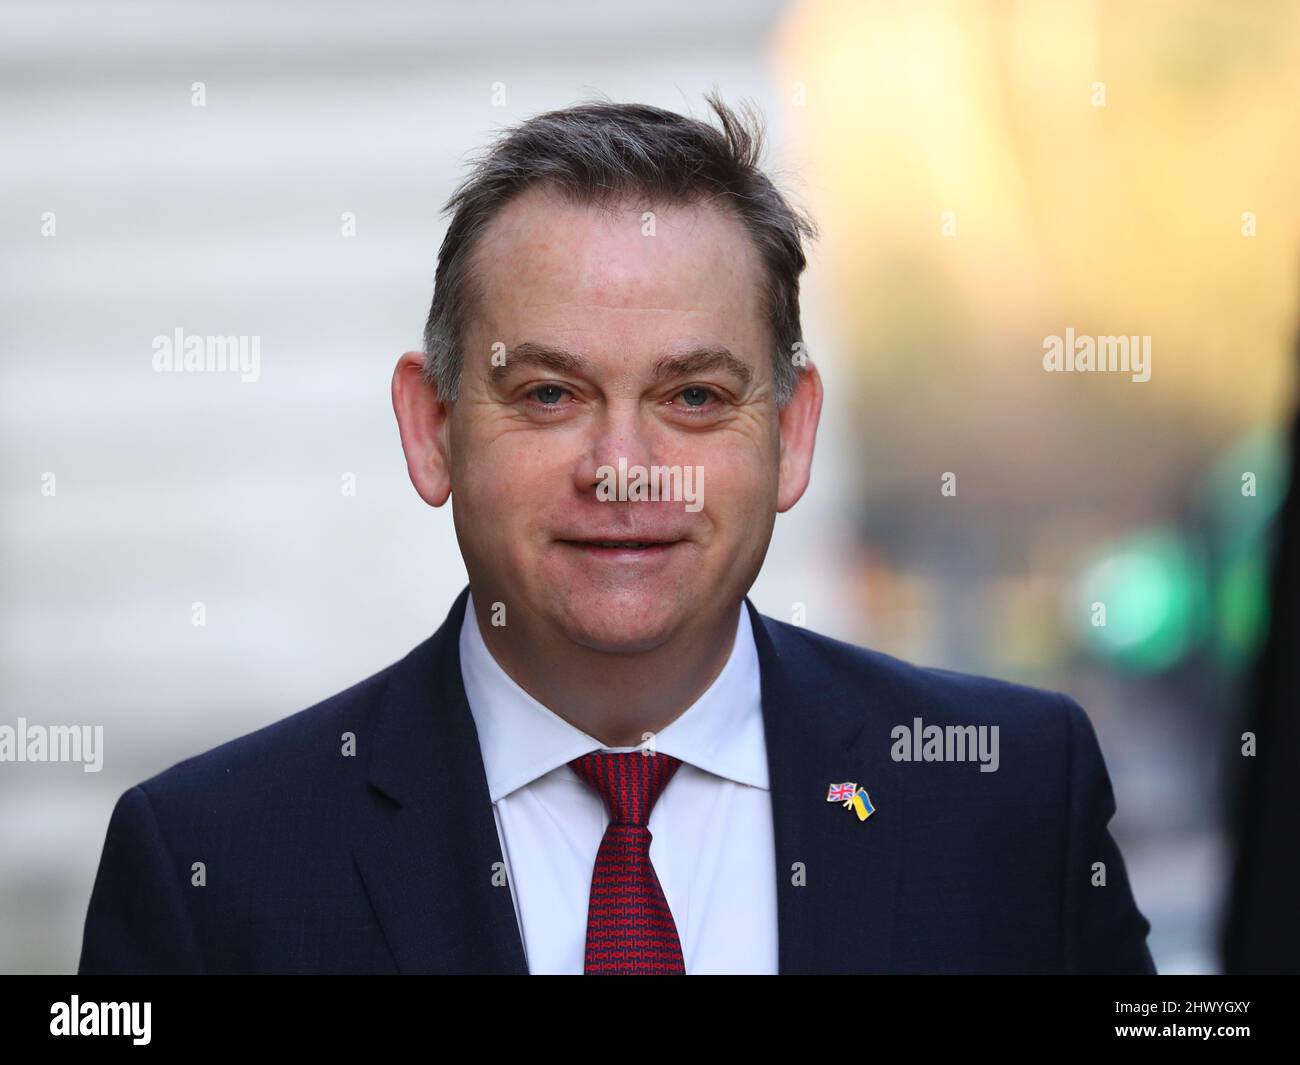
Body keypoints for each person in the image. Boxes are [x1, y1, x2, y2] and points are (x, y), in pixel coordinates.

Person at [79, 93, 1155, 975]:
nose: (624, 466)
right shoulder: (211, 865)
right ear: (431, 430)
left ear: (788, 435)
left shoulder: (1005, 795)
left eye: (692, 396)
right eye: (548, 394)